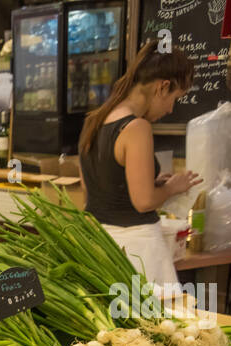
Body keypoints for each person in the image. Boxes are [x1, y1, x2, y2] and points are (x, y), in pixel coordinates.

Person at [78, 42, 203, 288]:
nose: (170, 109)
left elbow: (94, 189)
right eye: (175, 99)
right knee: (157, 323)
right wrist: (172, 187)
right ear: (162, 87)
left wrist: (152, 181)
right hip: (136, 250)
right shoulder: (137, 128)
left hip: (97, 245)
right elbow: (143, 201)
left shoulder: (94, 121)